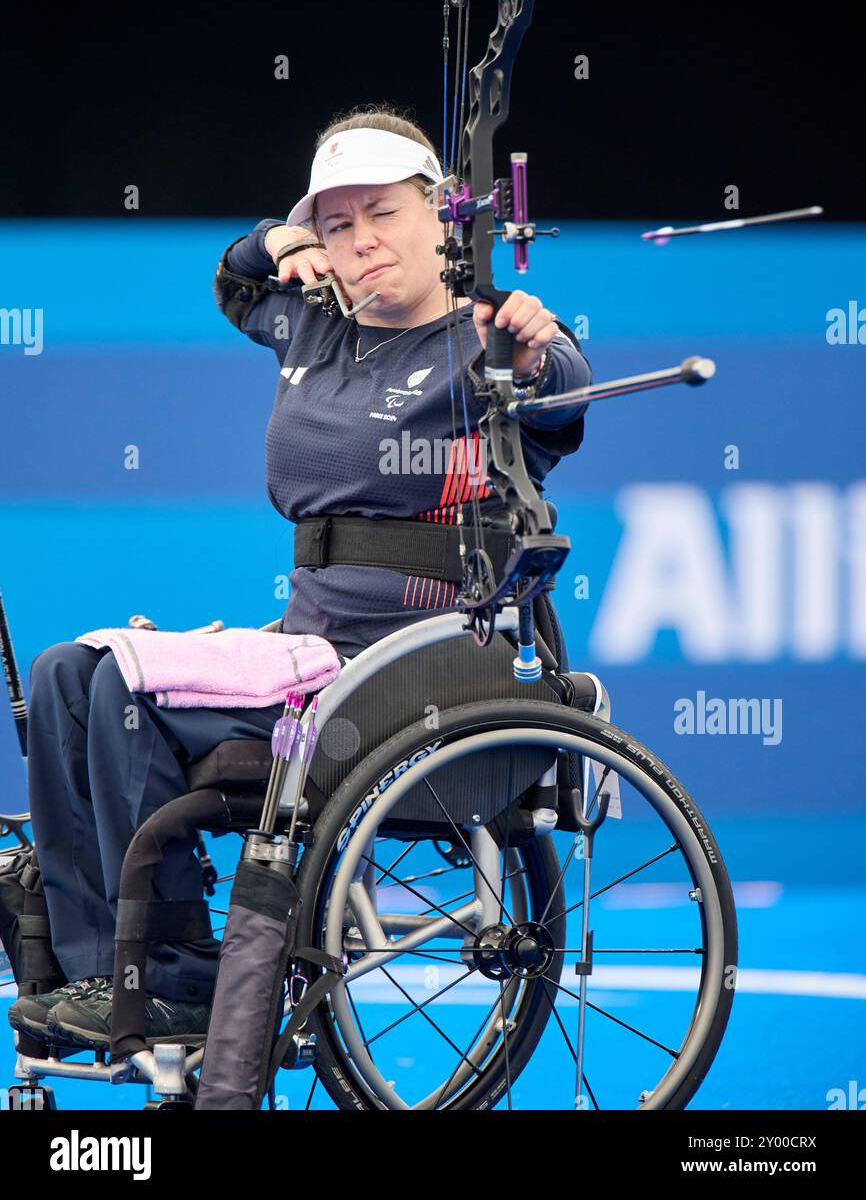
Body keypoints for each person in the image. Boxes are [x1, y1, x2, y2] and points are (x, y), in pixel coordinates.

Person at [9, 104, 591, 1054]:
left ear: (444, 214)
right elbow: (236, 278)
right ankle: (96, 974)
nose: (362, 242)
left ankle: (180, 981)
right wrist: (279, 238)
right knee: (64, 675)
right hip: (308, 655)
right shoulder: (314, 325)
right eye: (338, 223)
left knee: (122, 687)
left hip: (414, 667)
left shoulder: (484, 339)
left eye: (384, 214)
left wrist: (533, 349)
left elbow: (557, 389)